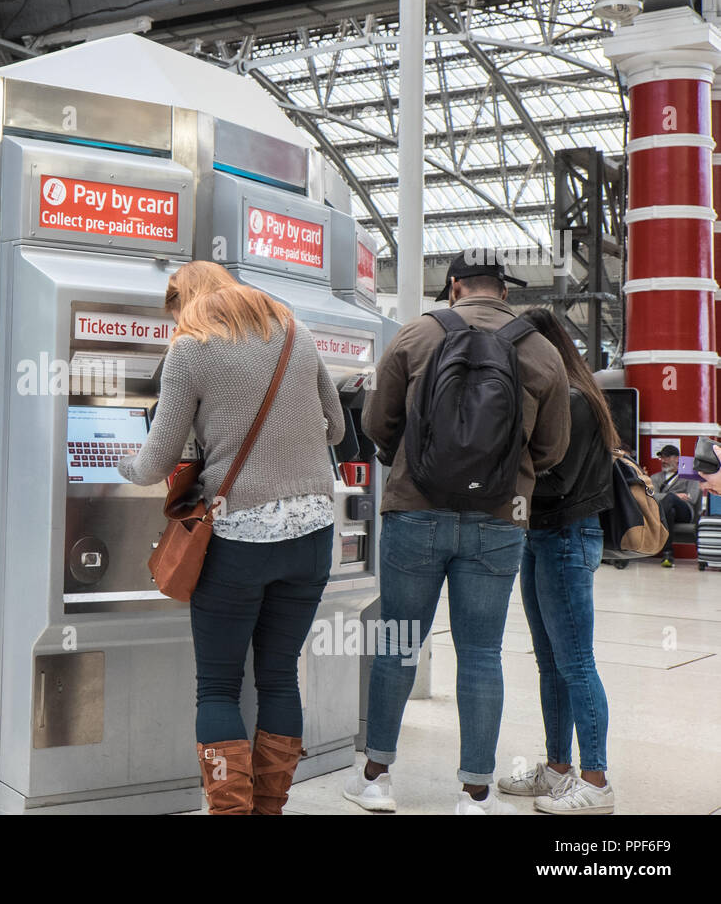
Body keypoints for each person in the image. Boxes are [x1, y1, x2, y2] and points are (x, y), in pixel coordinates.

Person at [347, 249, 571, 815]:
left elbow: (377, 421)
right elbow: (552, 448)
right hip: (500, 520)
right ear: (503, 290)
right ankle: (474, 793)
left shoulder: (415, 335)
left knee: (398, 645)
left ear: (453, 288)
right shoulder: (541, 350)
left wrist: (417, 464)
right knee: (480, 653)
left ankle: (375, 778)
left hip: (414, 512)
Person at [118, 260, 345, 815]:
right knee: (279, 676)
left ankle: (229, 811)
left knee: (218, 688)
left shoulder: (191, 348)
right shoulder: (293, 328)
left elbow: (154, 463)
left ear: (181, 301)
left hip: (239, 537)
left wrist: (120, 461)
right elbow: (336, 428)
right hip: (313, 534)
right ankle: (269, 809)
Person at [495, 308, 616, 814]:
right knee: (551, 663)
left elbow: (557, 480)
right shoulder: (567, 394)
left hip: (565, 537)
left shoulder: (573, 401)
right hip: (544, 537)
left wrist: (500, 477)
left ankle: (596, 781)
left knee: (575, 662)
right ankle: (558, 767)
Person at [648, 444, 698, 568]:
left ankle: (656, 529)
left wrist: (671, 497)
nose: (663, 461)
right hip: (668, 511)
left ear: (677, 459)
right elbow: (651, 496)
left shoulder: (689, 475)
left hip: (685, 511)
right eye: (662, 458)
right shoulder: (655, 477)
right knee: (670, 510)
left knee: (670, 499)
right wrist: (676, 495)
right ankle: (667, 553)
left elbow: (693, 497)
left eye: (667, 457)